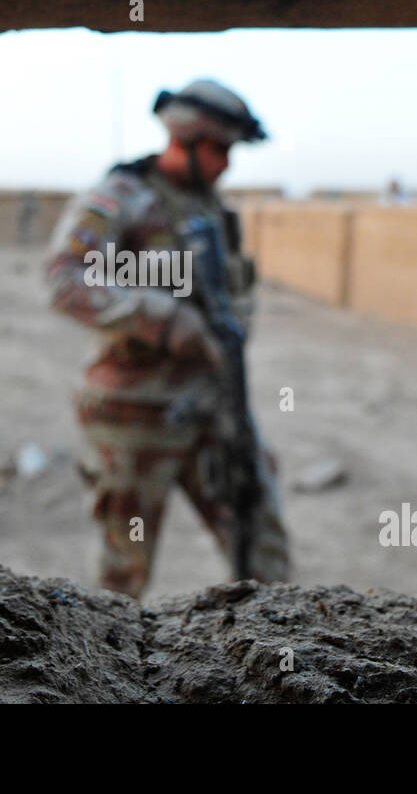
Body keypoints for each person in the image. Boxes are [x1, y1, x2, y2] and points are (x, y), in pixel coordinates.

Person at [44, 79, 291, 597]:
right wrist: (159, 317)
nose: (227, 164)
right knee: (122, 576)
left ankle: (268, 664)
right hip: (134, 416)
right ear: (184, 137)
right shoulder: (123, 197)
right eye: (219, 149)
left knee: (263, 551)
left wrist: (245, 422)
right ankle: (112, 670)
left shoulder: (211, 210)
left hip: (212, 406)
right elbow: (65, 277)